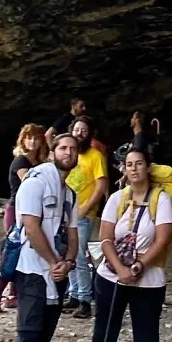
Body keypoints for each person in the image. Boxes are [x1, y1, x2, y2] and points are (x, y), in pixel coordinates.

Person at [90, 146, 172, 342]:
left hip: (148, 280)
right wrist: (120, 268)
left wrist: (138, 266)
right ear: (123, 169)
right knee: (104, 333)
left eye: (139, 163)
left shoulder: (161, 199)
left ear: (148, 168)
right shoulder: (117, 198)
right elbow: (105, 237)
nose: (134, 168)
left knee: (146, 338)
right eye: (129, 164)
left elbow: (163, 238)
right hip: (112, 276)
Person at [9, 133, 78, 342]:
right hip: (31, 269)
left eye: (73, 149)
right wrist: (53, 261)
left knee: (43, 337)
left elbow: (73, 234)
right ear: (51, 153)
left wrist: (68, 262)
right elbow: (30, 226)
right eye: (63, 148)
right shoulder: (35, 183)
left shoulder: (70, 195)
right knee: (29, 335)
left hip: (57, 272)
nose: (68, 152)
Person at [0, 124, 47, 314]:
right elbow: (31, 184)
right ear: (22, 140)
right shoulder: (20, 161)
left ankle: (13, 294)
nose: (32, 141)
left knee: (24, 252)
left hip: (34, 210)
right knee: (12, 250)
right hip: (17, 210)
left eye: (36, 138)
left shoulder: (40, 162)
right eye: (29, 138)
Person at [65, 117, 111, 320]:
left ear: (90, 133)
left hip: (84, 213)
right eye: (76, 130)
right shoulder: (69, 154)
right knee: (68, 253)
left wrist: (85, 209)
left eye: (83, 130)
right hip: (66, 212)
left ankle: (85, 300)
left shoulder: (95, 156)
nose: (79, 134)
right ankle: (74, 294)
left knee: (80, 255)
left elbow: (101, 185)